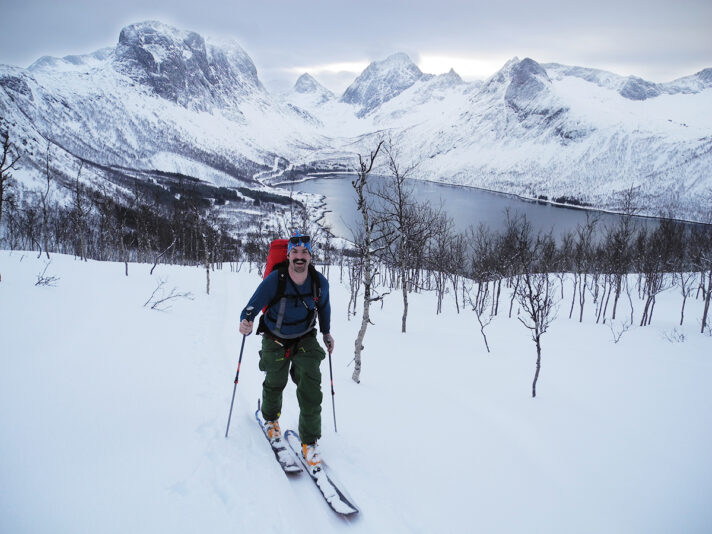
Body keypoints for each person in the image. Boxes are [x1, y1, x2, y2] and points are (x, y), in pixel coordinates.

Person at [239, 231, 334, 474]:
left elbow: (324, 309)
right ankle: (270, 420)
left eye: (305, 252)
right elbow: (254, 303)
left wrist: (326, 333)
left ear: (311, 256)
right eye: (295, 252)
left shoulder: (319, 282)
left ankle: (310, 441)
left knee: (311, 387)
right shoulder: (276, 279)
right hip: (275, 338)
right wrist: (246, 320)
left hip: (305, 337)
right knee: (275, 381)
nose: (300, 257)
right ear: (289, 255)